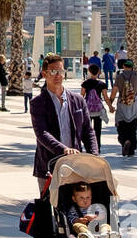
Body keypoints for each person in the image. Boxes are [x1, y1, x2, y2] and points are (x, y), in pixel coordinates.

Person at [30, 53, 98, 194]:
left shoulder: (77, 100)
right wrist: (64, 150)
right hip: (49, 166)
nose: (58, 75)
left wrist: (93, 156)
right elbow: (42, 133)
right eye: (53, 71)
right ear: (44, 74)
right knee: (51, 210)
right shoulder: (38, 103)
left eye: (61, 71)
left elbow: (87, 130)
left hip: (75, 166)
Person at [112, 58, 137, 157]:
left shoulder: (119, 76)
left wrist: (110, 103)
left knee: (121, 126)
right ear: (132, 66)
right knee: (133, 128)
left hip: (122, 103)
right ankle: (132, 149)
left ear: (124, 67)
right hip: (134, 103)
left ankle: (124, 140)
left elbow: (114, 91)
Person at [80, 63, 113, 153]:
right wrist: (110, 107)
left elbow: (81, 97)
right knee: (97, 130)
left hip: (88, 110)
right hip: (98, 110)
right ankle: (97, 147)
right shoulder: (102, 84)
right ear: (98, 72)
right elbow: (105, 97)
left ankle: (89, 147)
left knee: (88, 130)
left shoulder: (85, 83)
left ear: (89, 72)